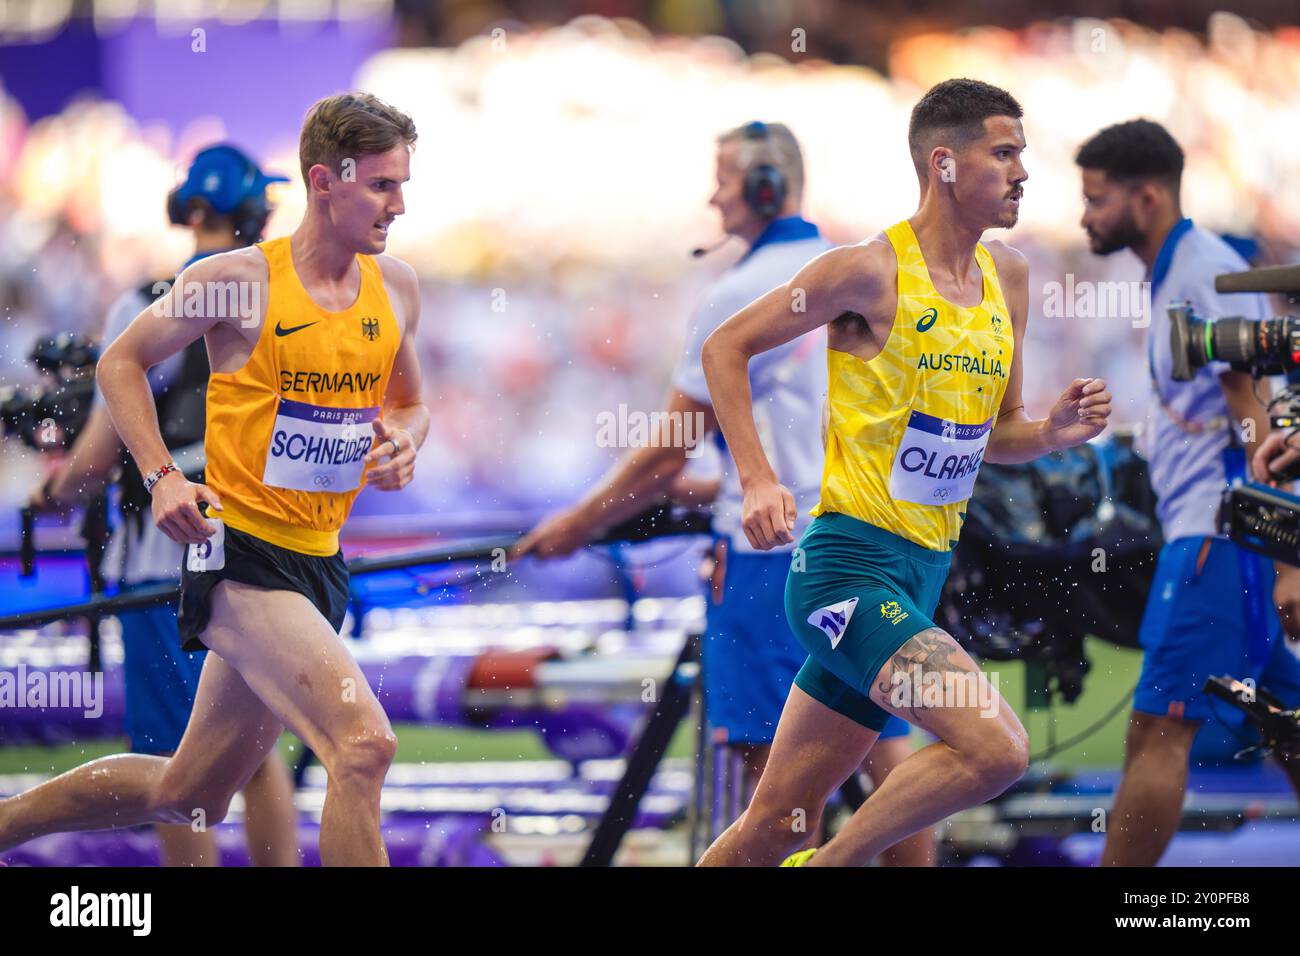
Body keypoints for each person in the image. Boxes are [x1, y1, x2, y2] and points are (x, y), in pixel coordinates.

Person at [0, 92, 427, 867]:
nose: (399, 204)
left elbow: (411, 401)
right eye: (382, 185)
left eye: (403, 184)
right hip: (239, 558)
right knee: (362, 745)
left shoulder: (395, 287)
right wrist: (163, 475)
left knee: (189, 793)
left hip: (319, 561)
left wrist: (403, 437)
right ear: (323, 182)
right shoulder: (237, 282)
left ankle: (5, 823)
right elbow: (119, 361)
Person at [695, 78, 1112, 867]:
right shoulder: (866, 271)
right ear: (946, 164)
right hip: (846, 571)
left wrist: (1053, 432)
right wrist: (757, 478)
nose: (1023, 171)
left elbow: (999, 435)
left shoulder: (1009, 279)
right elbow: (725, 348)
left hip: (921, 573)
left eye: (1024, 154)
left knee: (774, 821)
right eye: (1005, 153)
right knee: (996, 750)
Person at [513, 122, 931, 864]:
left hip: (770, 562)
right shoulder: (865, 273)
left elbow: (668, 448)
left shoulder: (741, 292)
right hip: (869, 545)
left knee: (768, 776)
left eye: (725, 179)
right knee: (887, 753)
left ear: (765, 187)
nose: (714, 196)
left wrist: (578, 522)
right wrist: (720, 483)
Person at [25, 144, 301, 867]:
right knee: (252, 747)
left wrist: (56, 490)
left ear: (195, 211)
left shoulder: (151, 300)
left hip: (166, 553)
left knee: (176, 758)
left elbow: (89, 461)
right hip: (266, 542)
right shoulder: (286, 294)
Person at [1072, 118, 1300, 867]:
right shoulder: (1177, 269)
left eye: (1095, 200)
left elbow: (1252, 407)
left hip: (1215, 537)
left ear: (1145, 197)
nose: (1083, 217)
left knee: (1158, 729)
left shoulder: (1201, 270)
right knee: (1287, 718)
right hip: (1221, 536)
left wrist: (1286, 552)